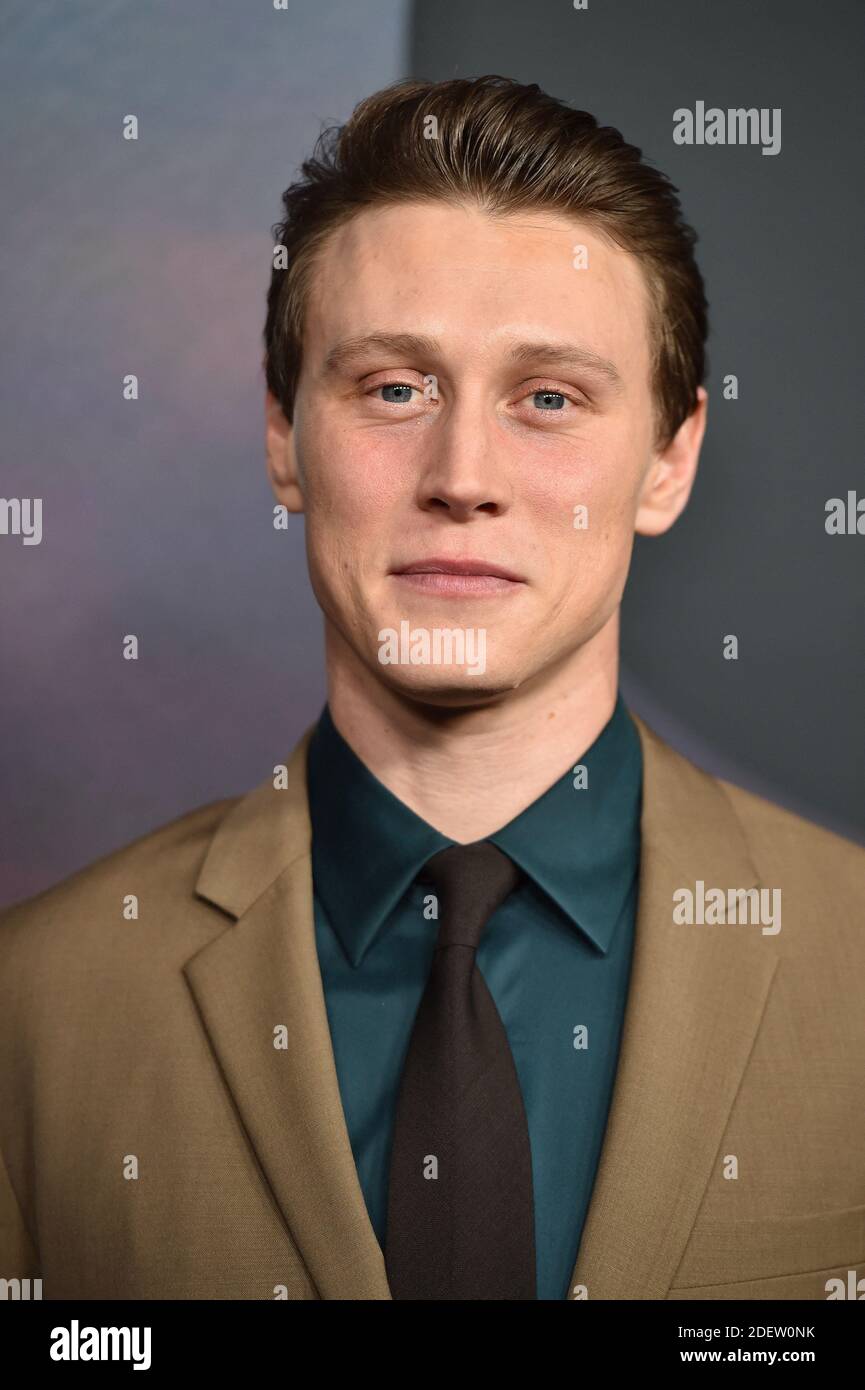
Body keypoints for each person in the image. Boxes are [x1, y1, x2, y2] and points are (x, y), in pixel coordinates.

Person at [1, 76, 863, 1302]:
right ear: (282, 436)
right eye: (394, 388)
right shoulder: (29, 1007)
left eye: (548, 398)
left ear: (669, 461)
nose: (463, 476)